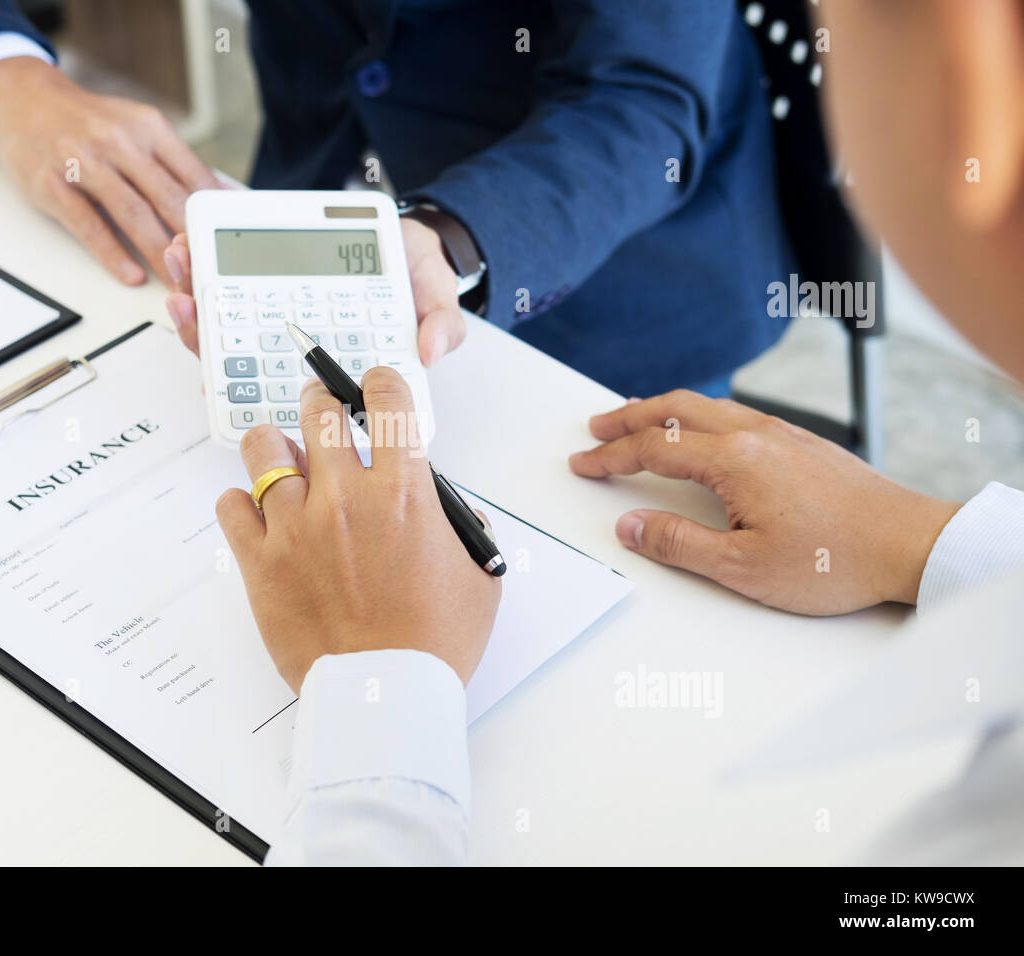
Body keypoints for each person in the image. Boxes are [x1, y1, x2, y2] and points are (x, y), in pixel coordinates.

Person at [205, 0, 1024, 864]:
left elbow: (643, 94)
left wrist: (379, 697)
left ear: (968, 58)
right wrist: (933, 539)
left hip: (619, 296)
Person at [0, 0, 793, 397]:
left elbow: (641, 103)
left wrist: (446, 239)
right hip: (307, 192)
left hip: (605, 283)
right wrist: (12, 83)